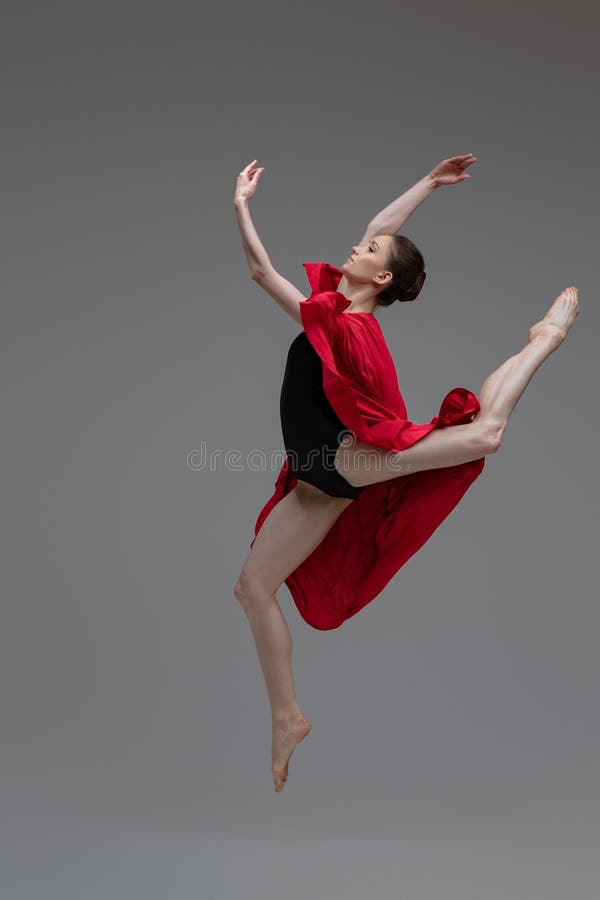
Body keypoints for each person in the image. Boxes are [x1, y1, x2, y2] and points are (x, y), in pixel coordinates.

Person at [232, 156, 579, 793]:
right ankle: (287, 717)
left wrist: (241, 206)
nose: (354, 245)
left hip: (346, 458)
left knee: (485, 435)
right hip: (316, 483)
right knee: (253, 588)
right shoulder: (339, 311)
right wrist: (428, 182)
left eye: (366, 249)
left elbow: (260, 270)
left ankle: (543, 342)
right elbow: (381, 224)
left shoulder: (344, 327)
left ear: (381, 274)